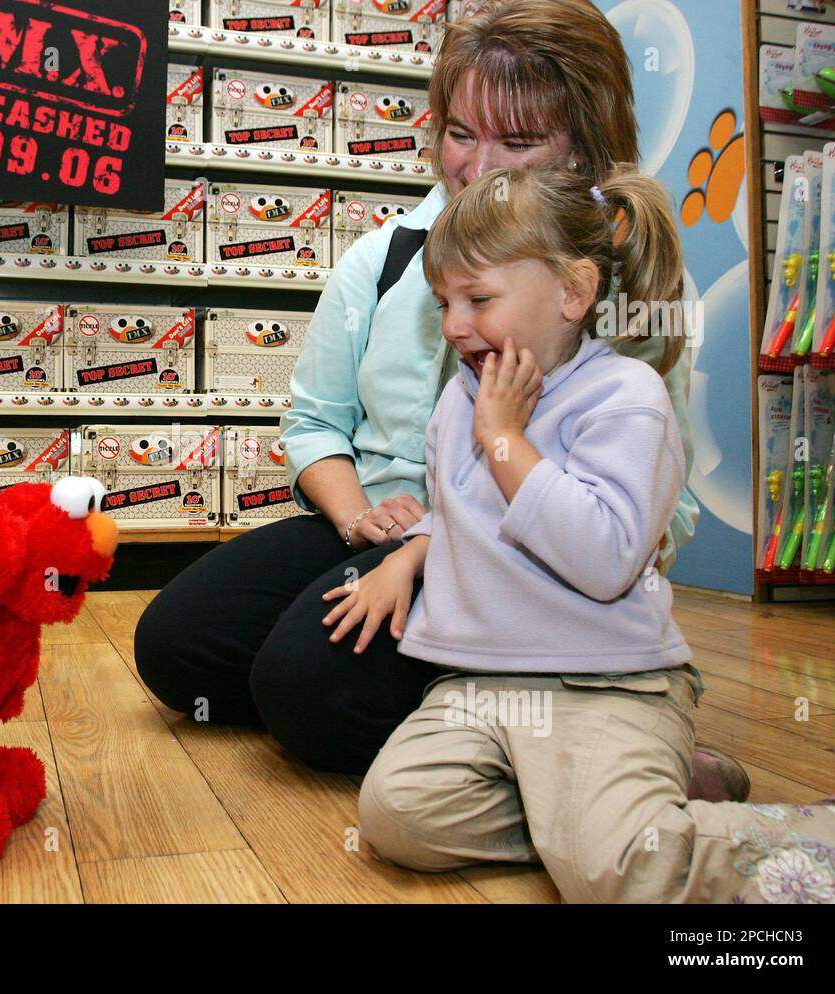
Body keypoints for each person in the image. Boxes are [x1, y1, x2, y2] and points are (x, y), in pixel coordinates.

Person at [136, 0, 741, 797]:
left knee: (305, 689)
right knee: (177, 646)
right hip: (376, 525)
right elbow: (316, 422)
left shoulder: (621, 284)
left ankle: (589, 757)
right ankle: (536, 740)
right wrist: (358, 517)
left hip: (520, 547)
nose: (479, 167)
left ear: (586, 148)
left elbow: (661, 507)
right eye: (461, 133)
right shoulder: (382, 257)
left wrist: (582, 543)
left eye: (519, 143)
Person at [333, 164, 835, 903]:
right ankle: (618, 812)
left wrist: (509, 440)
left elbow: (605, 559)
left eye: (478, 298)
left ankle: (828, 833)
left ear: (573, 293)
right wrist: (408, 560)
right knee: (398, 818)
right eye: (444, 300)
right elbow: (464, 518)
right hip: (478, 685)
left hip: (607, 682)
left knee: (617, 874)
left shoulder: (624, 398)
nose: (453, 325)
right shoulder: (460, 400)